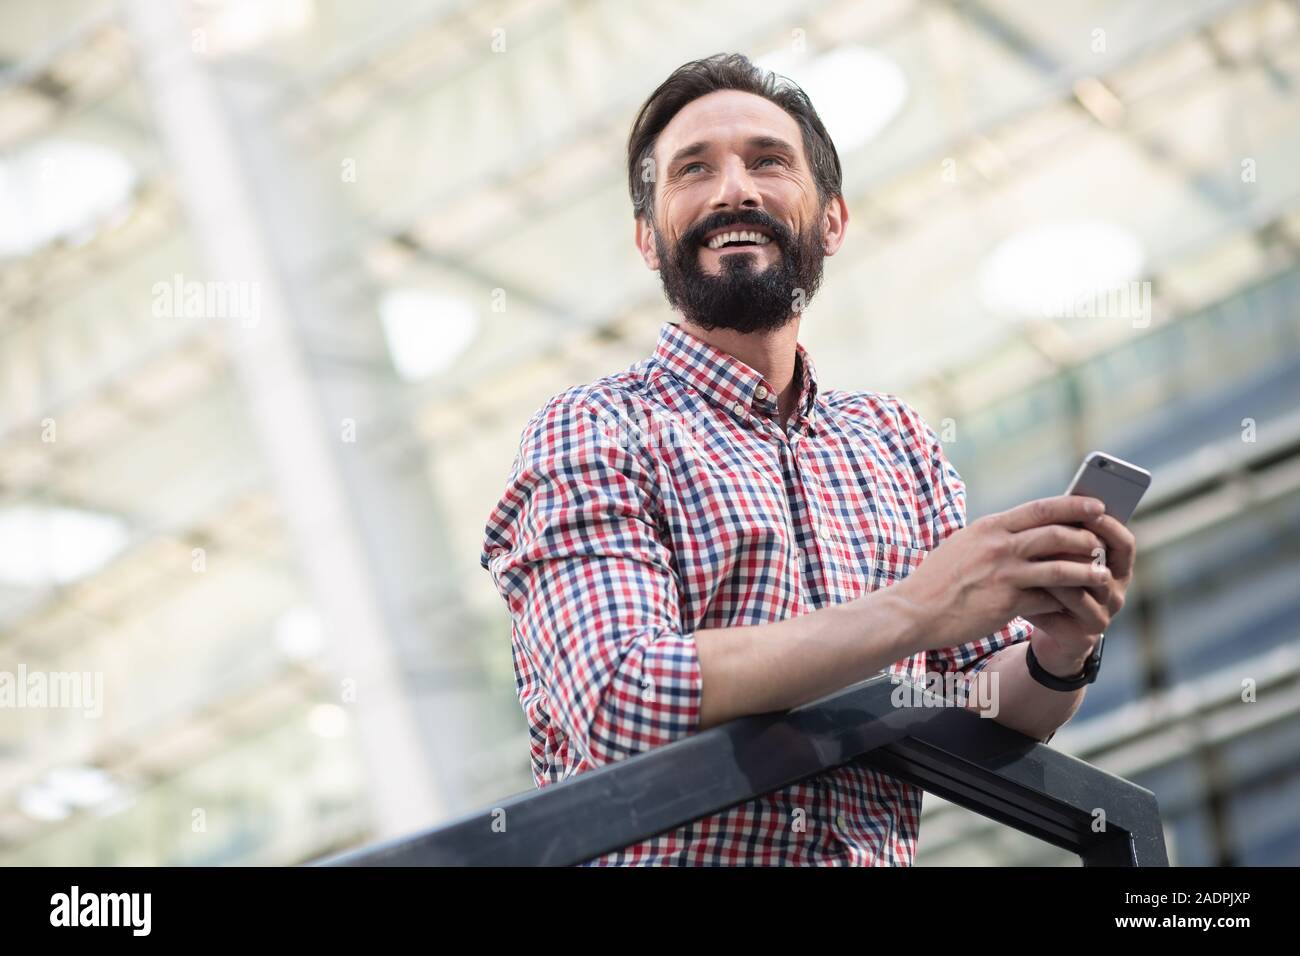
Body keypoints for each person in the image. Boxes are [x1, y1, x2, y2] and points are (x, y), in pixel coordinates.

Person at [480, 53, 1135, 865]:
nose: (734, 191)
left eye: (767, 161)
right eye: (694, 170)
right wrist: (919, 609)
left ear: (831, 221)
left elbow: (971, 704)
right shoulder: (593, 429)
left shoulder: (896, 444)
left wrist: (1057, 651)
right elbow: (622, 696)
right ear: (649, 239)